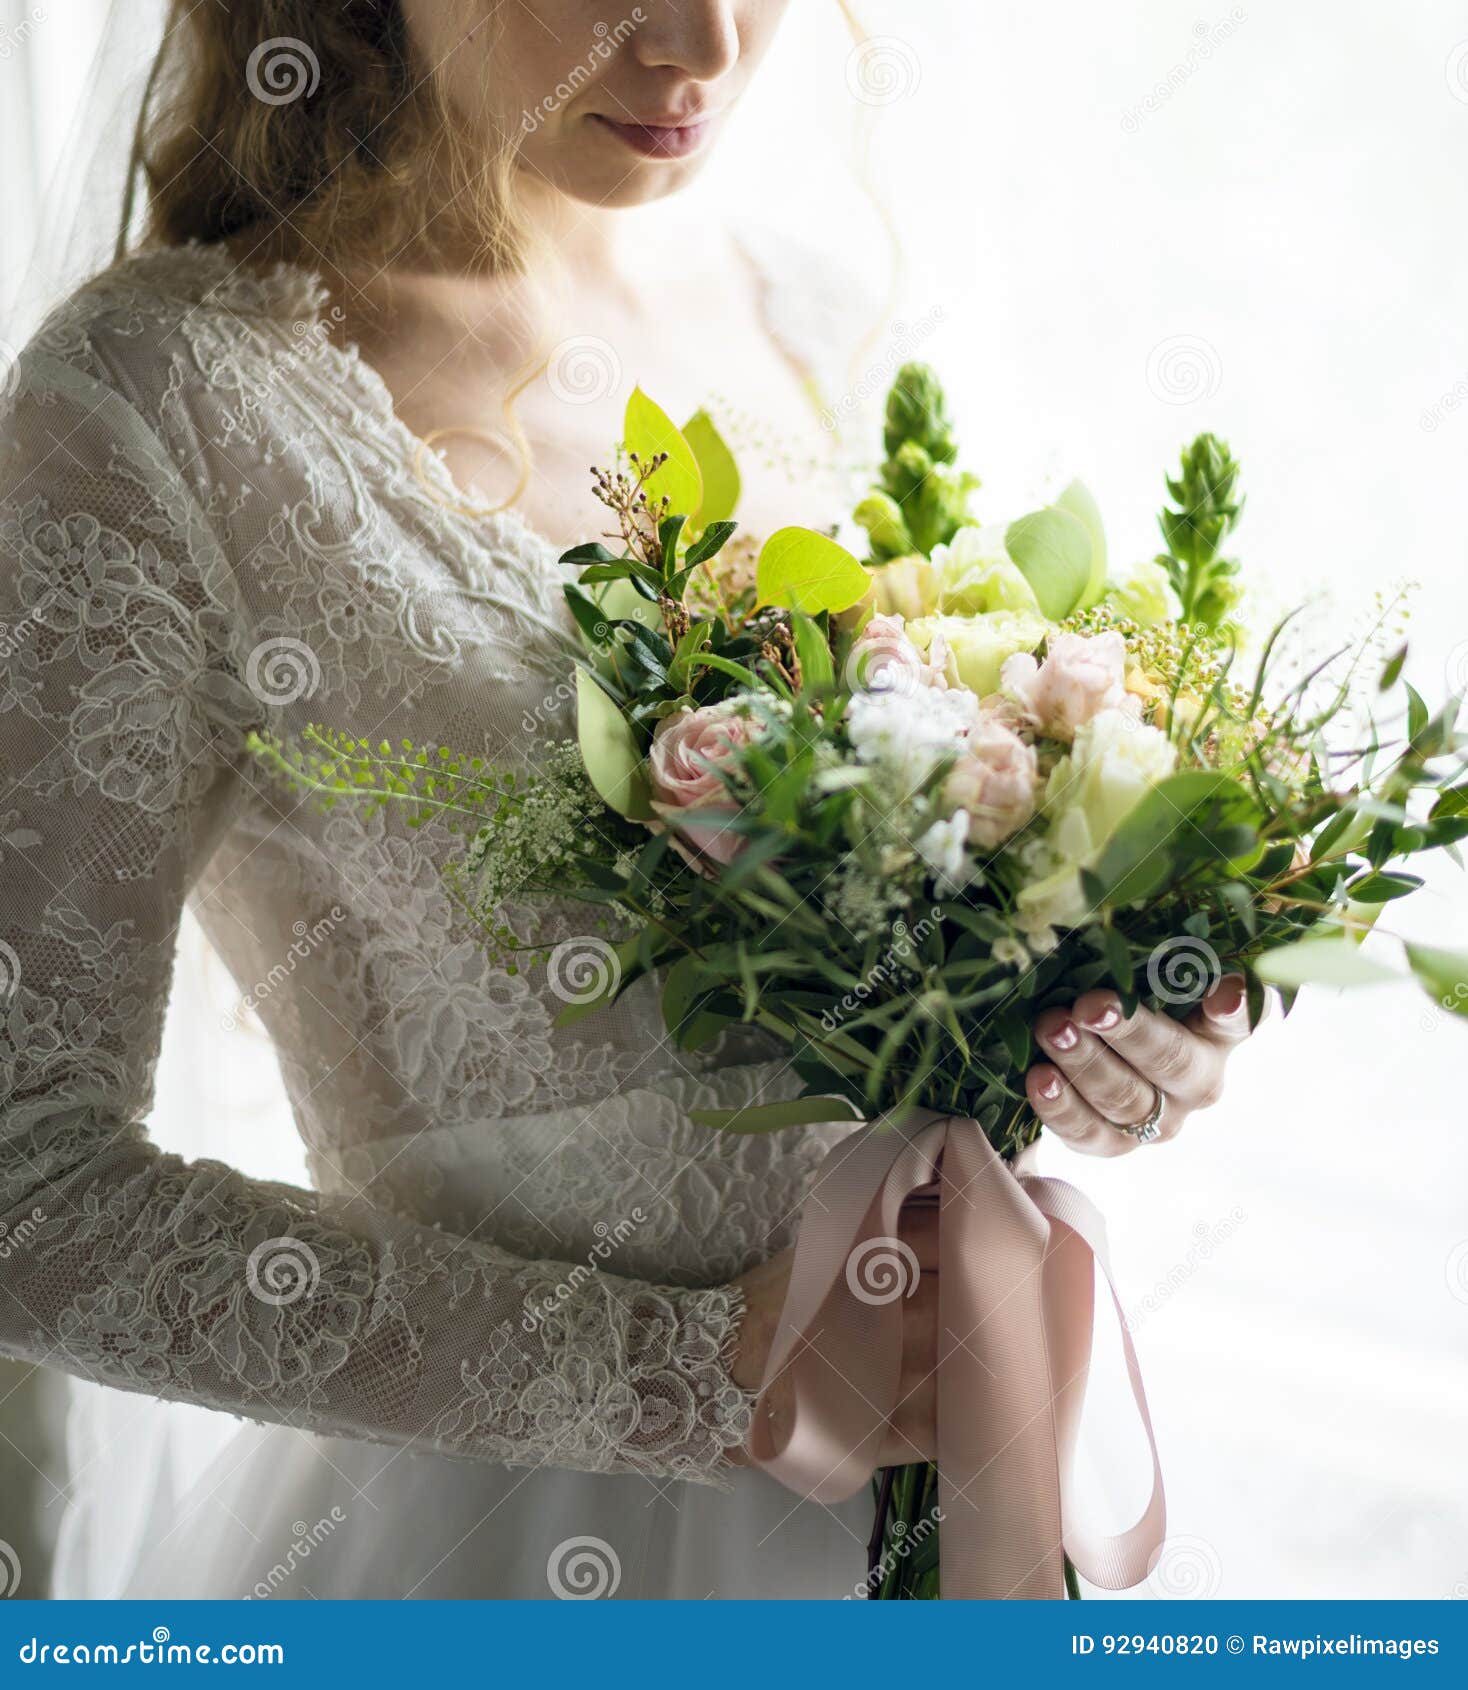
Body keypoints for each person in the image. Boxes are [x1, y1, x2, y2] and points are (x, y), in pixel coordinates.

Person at [0, 0, 1253, 1599]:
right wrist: (699, 1376)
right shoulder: (161, 401)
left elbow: (937, 943)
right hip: (508, 1555)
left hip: (987, 1484)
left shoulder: (821, 319)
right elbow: (25, 1193)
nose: (707, 42)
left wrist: (1109, 1025)